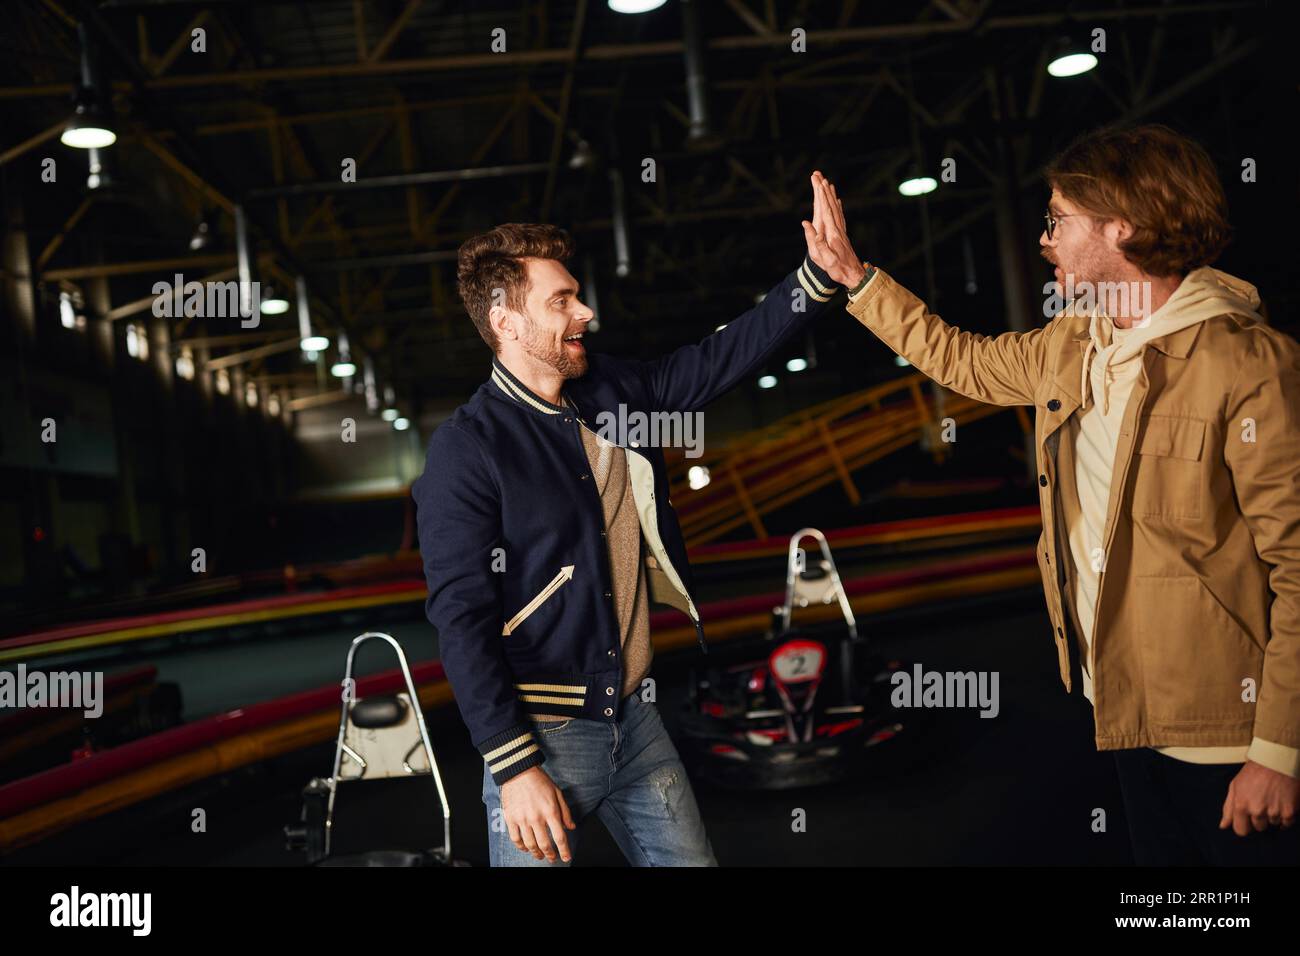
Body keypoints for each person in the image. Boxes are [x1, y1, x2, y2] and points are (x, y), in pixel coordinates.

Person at [815, 125, 1300, 865]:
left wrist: (1279, 750)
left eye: (1058, 220)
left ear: (1122, 226)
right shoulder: (1073, 343)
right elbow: (963, 359)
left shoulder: (1246, 363)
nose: (1045, 240)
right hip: (1124, 710)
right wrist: (858, 280)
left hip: (1231, 739)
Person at [412, 173, 850, 866]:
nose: (585, 312)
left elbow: (715, 361)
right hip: (544, 738)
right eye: (562, 299)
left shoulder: (611, 389)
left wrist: (814, 282)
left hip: (635, 719)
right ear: (507, 321)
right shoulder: (466, 449)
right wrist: (514, 766)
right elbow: (460, 618)